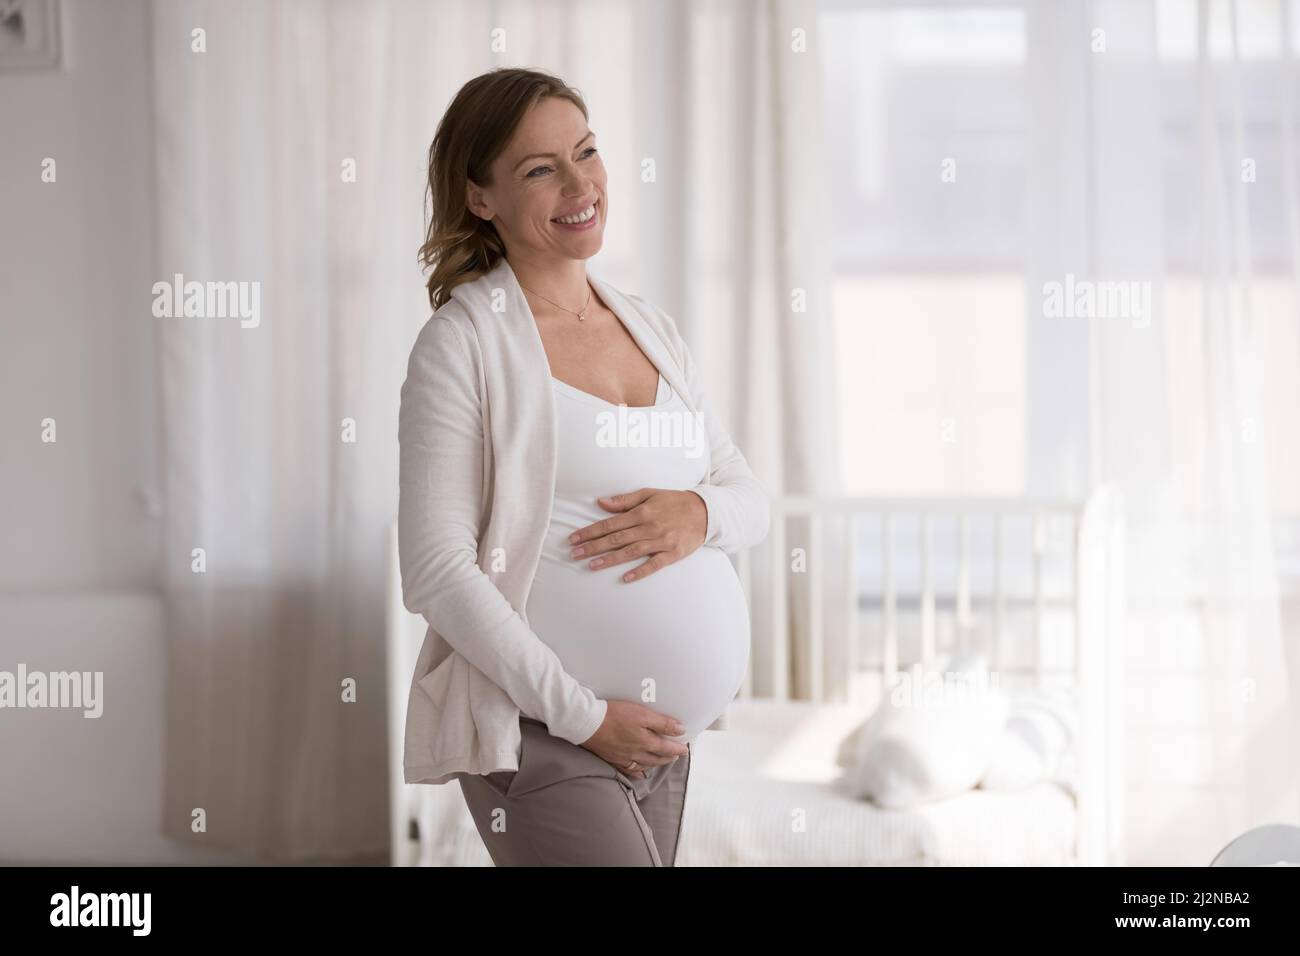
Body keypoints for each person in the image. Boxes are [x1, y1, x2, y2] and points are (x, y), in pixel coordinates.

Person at [400, 67, 770, 866]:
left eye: (587, 151)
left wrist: (698, 513)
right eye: (539, 169)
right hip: (548, 731)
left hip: (661, 738)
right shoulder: (463, 343)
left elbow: (749, 497)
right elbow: (436, 572)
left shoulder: (649, 326)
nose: (579, 183)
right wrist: (582, 717)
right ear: (481, 197)